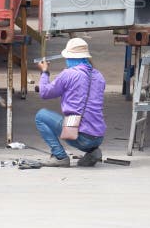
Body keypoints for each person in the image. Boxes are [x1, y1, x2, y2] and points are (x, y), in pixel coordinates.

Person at [35, 37, 106, 167]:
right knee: (85, 120)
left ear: (70, 57)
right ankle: (93, 152)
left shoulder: (68, 74)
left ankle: (60, 156)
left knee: (41, 115)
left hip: (81, 137)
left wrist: (45, 72)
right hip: (98, 137)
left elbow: (44, 92)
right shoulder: (99, 76)